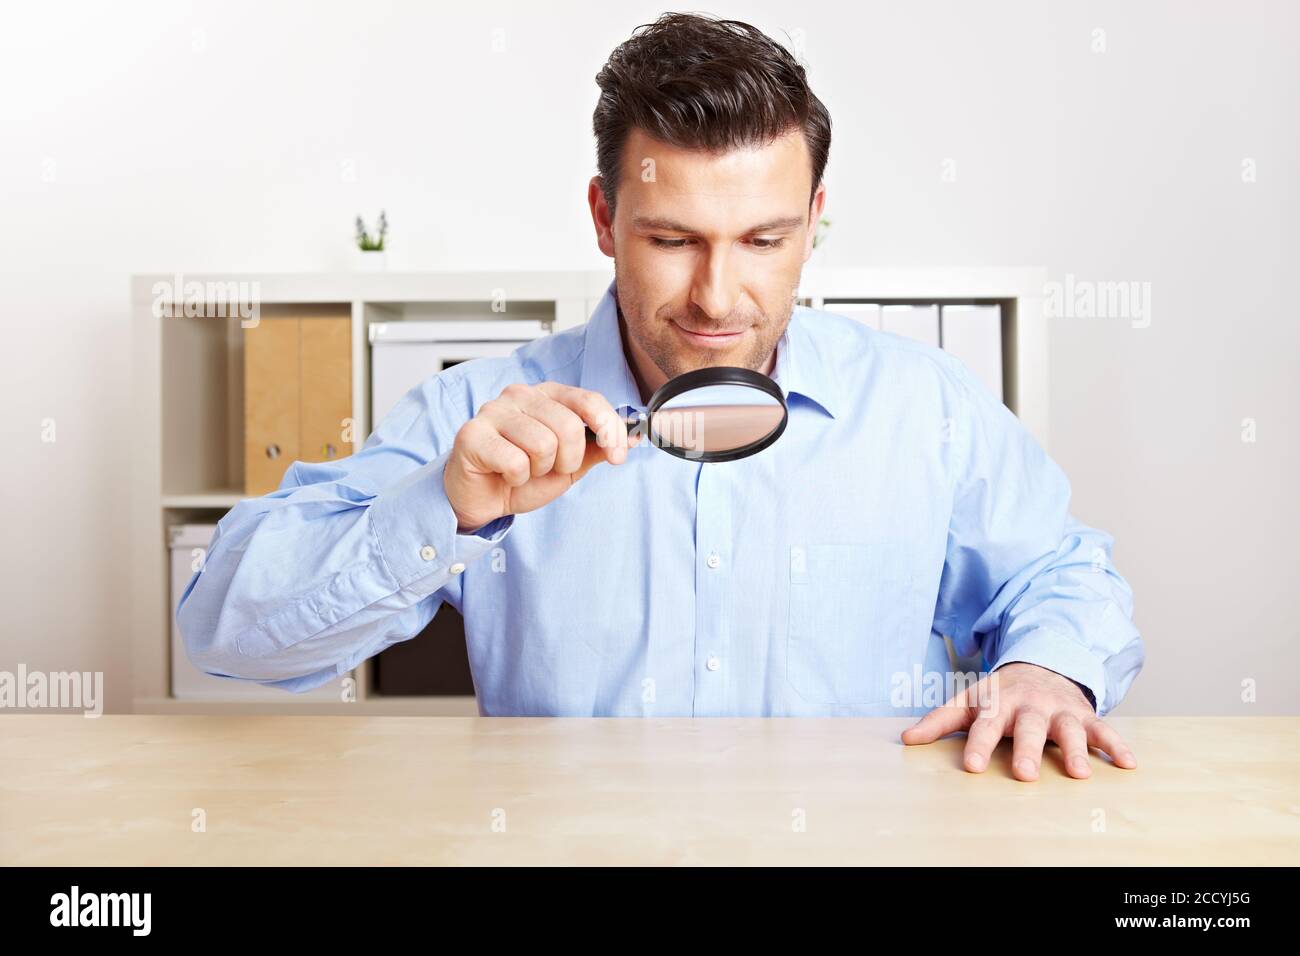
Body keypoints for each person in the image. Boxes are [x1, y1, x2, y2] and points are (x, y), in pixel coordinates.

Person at [179, 13, 1142, 782]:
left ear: (815, 221)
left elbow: (1062, 573)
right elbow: (224, 628)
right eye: (673, 240)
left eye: (764, 241)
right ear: (606, 218)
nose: (718, 297)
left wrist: (1046, 669)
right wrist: (445, 508)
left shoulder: (925, 407)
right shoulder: (477, 415)